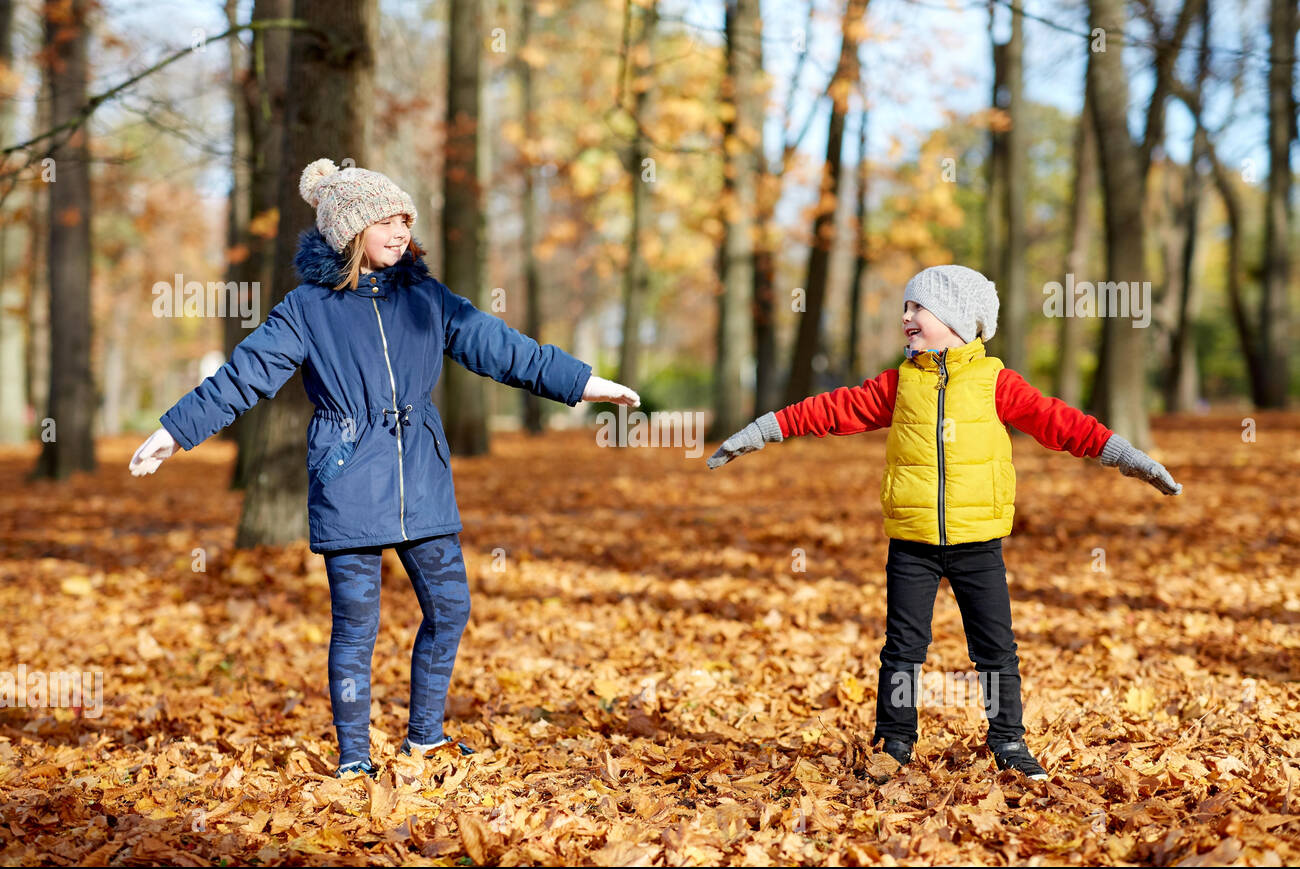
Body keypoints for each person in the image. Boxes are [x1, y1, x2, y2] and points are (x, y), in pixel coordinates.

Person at [130, 158, 640, 779]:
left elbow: (502, 347)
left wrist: (584, 382)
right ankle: (353, 760)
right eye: (384, 219)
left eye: (404, 218)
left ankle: (425, 738)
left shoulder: (428, 299)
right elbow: (244, 376)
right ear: (350, 231)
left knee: (450, 607)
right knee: (356, 625)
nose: (400, 230)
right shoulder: (306, 309)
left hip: (422, 477)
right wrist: (174, 431)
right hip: (348, 479)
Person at [706, 264, 1182, 781]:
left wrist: (1130, 458)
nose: (906, 316)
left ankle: (1009, 741)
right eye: (904, 307)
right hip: (912, 543)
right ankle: (893, 743)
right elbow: (830, 409)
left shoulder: (995, 382)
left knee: (995, 649)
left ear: (957, 317)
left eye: (918, 307)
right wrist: (762, 430)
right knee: (903, 648)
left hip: (979, 542)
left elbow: (1060, 422)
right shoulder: (899, 384)